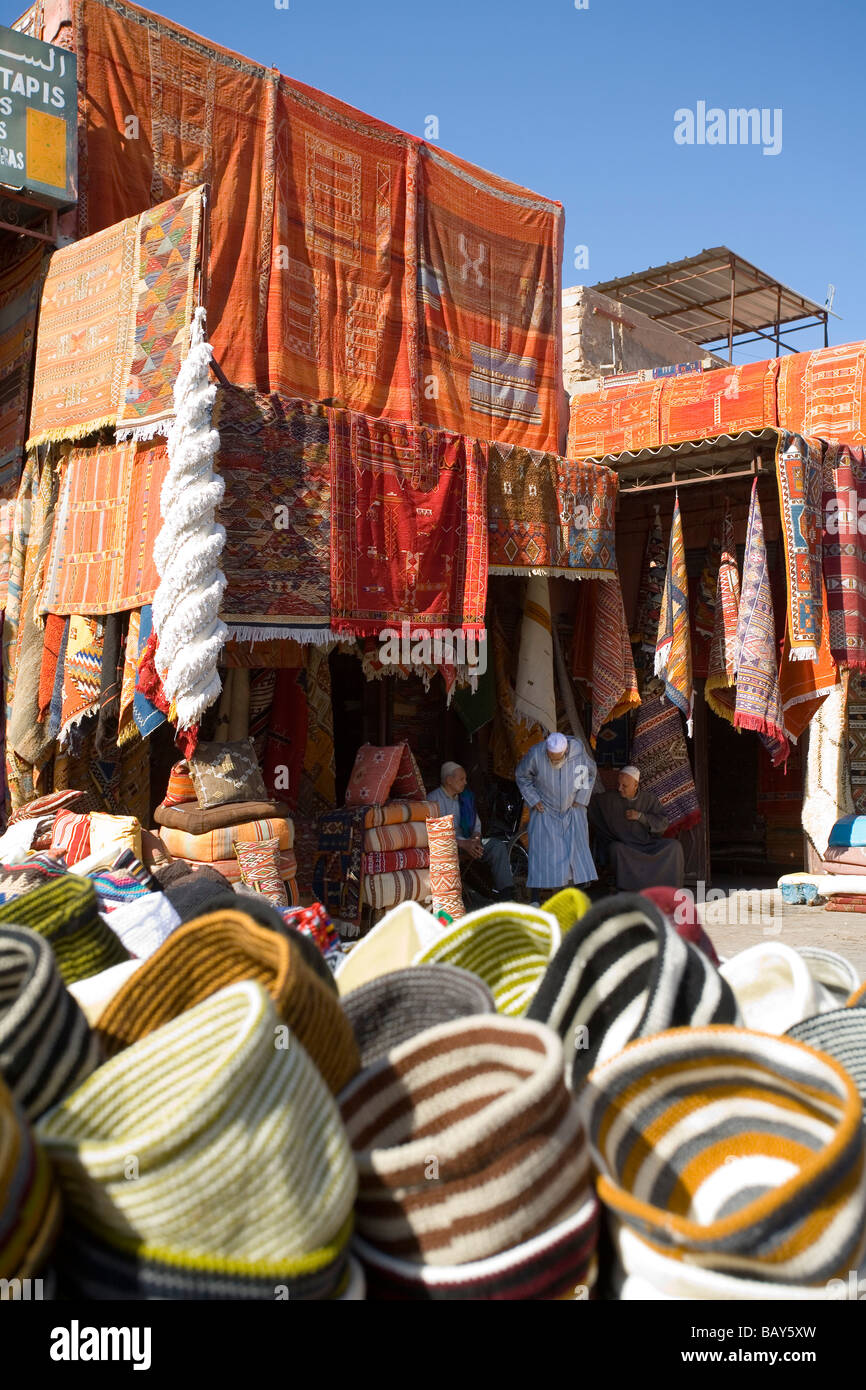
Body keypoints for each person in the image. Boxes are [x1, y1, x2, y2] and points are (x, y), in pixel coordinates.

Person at [514, 731, 597, 901]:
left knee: (576, 855)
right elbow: (522, 776)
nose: (553, 759)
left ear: (565, 752)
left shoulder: (578, 753)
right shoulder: (536, 753)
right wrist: (533, 798)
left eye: (557, 757)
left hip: (573, 809)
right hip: (545, 809)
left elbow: (590, 774)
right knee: (541, 855)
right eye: (551, 756)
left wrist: (581, 799)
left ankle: (577, 899)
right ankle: (535, 900)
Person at [427, 762, 515, 899]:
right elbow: (435, 836)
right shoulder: (433, 800)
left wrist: (475, 839)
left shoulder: (465, 797)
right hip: (448, 846)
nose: (465, 782)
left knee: (496, 846)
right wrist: (464, 844)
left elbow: (476, 826)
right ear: (449, 780)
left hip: (468, 842)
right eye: (461, 779)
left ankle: (506, 895)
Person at [589, 765, 685, 891]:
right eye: (619, 784)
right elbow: (589, 805)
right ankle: (627, 887)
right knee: (615, 849)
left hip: (649, 844)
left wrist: (641, 817)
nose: (619, 789)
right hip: (627, 847)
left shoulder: (649, 799)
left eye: (625, 786)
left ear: (635, 785)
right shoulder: (609, 799)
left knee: (674, 846)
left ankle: (667, 887)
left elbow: (662, 822)